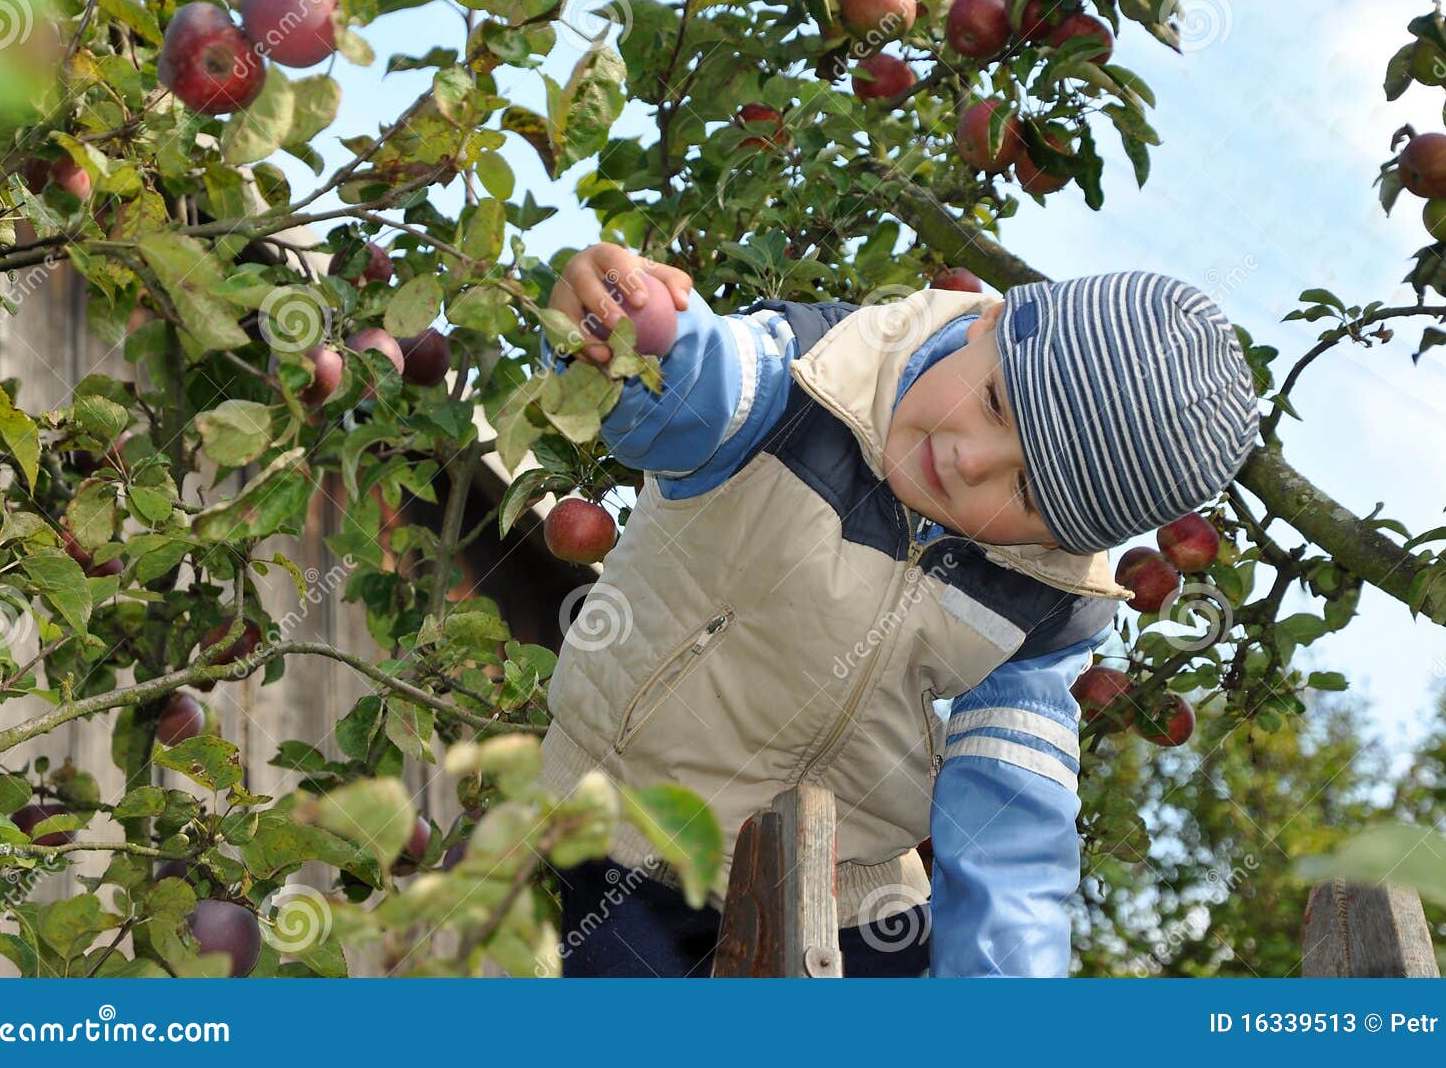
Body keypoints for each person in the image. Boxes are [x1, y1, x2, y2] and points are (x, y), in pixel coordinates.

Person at [532, 242, 1260, 977]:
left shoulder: (1045, 601)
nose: (973, 461)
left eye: (1029, 494)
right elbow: (699, 393)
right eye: (996, 405)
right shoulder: (807, 376)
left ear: (1065, 540)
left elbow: (1011, 812)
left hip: (842, 886)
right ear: (988, 324)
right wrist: (648, 338)